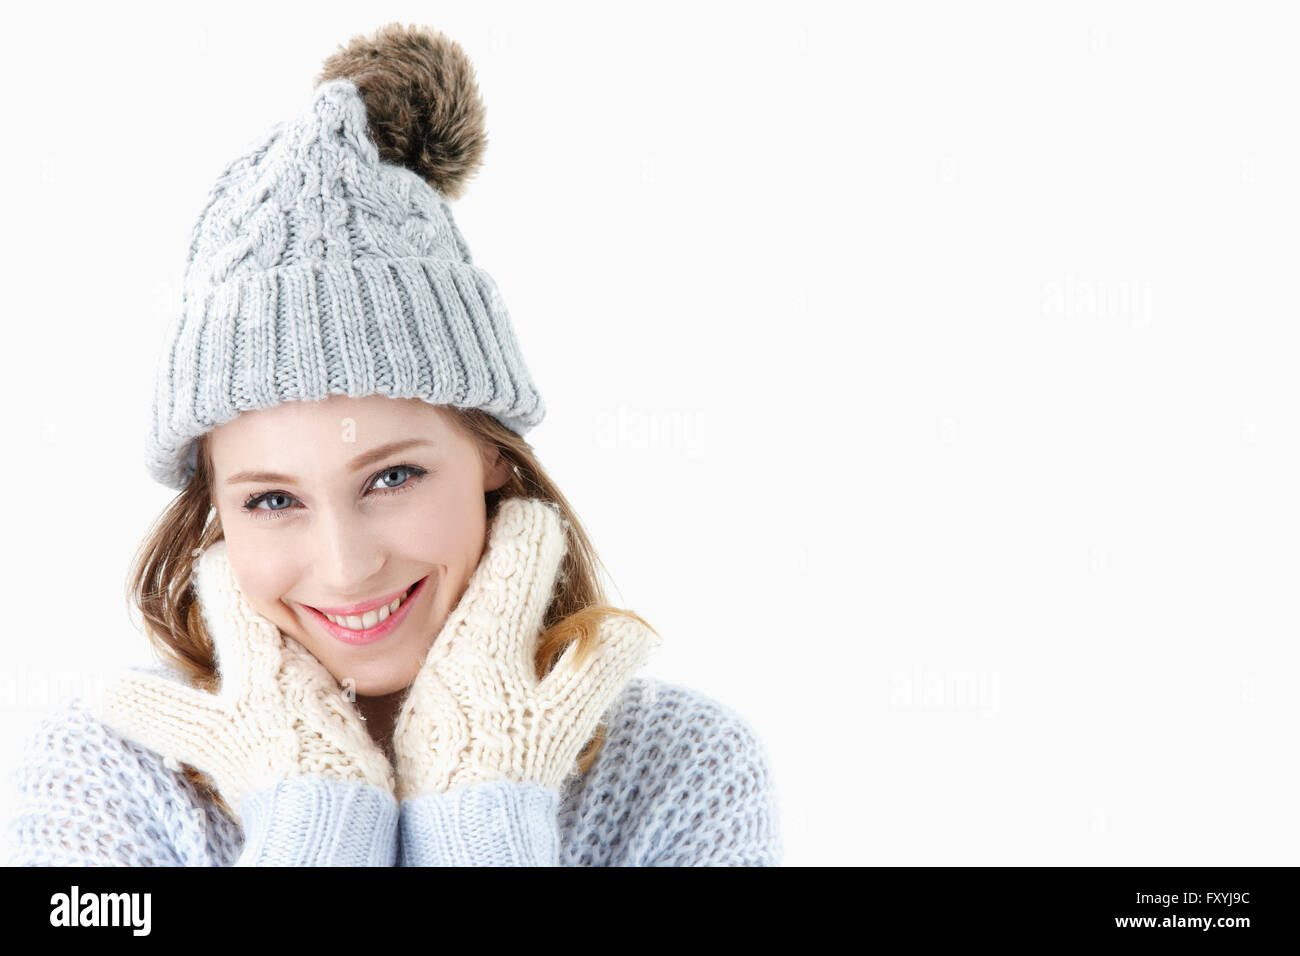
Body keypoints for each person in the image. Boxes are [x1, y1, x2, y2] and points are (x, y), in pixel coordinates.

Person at [5, 22, 782, 866]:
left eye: (393, 477)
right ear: (214, 510)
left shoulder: (683, 770)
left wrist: (482, 804)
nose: (346, 568)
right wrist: (316, 814)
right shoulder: (103, 778)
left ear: (493, 454)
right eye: (272, 499)